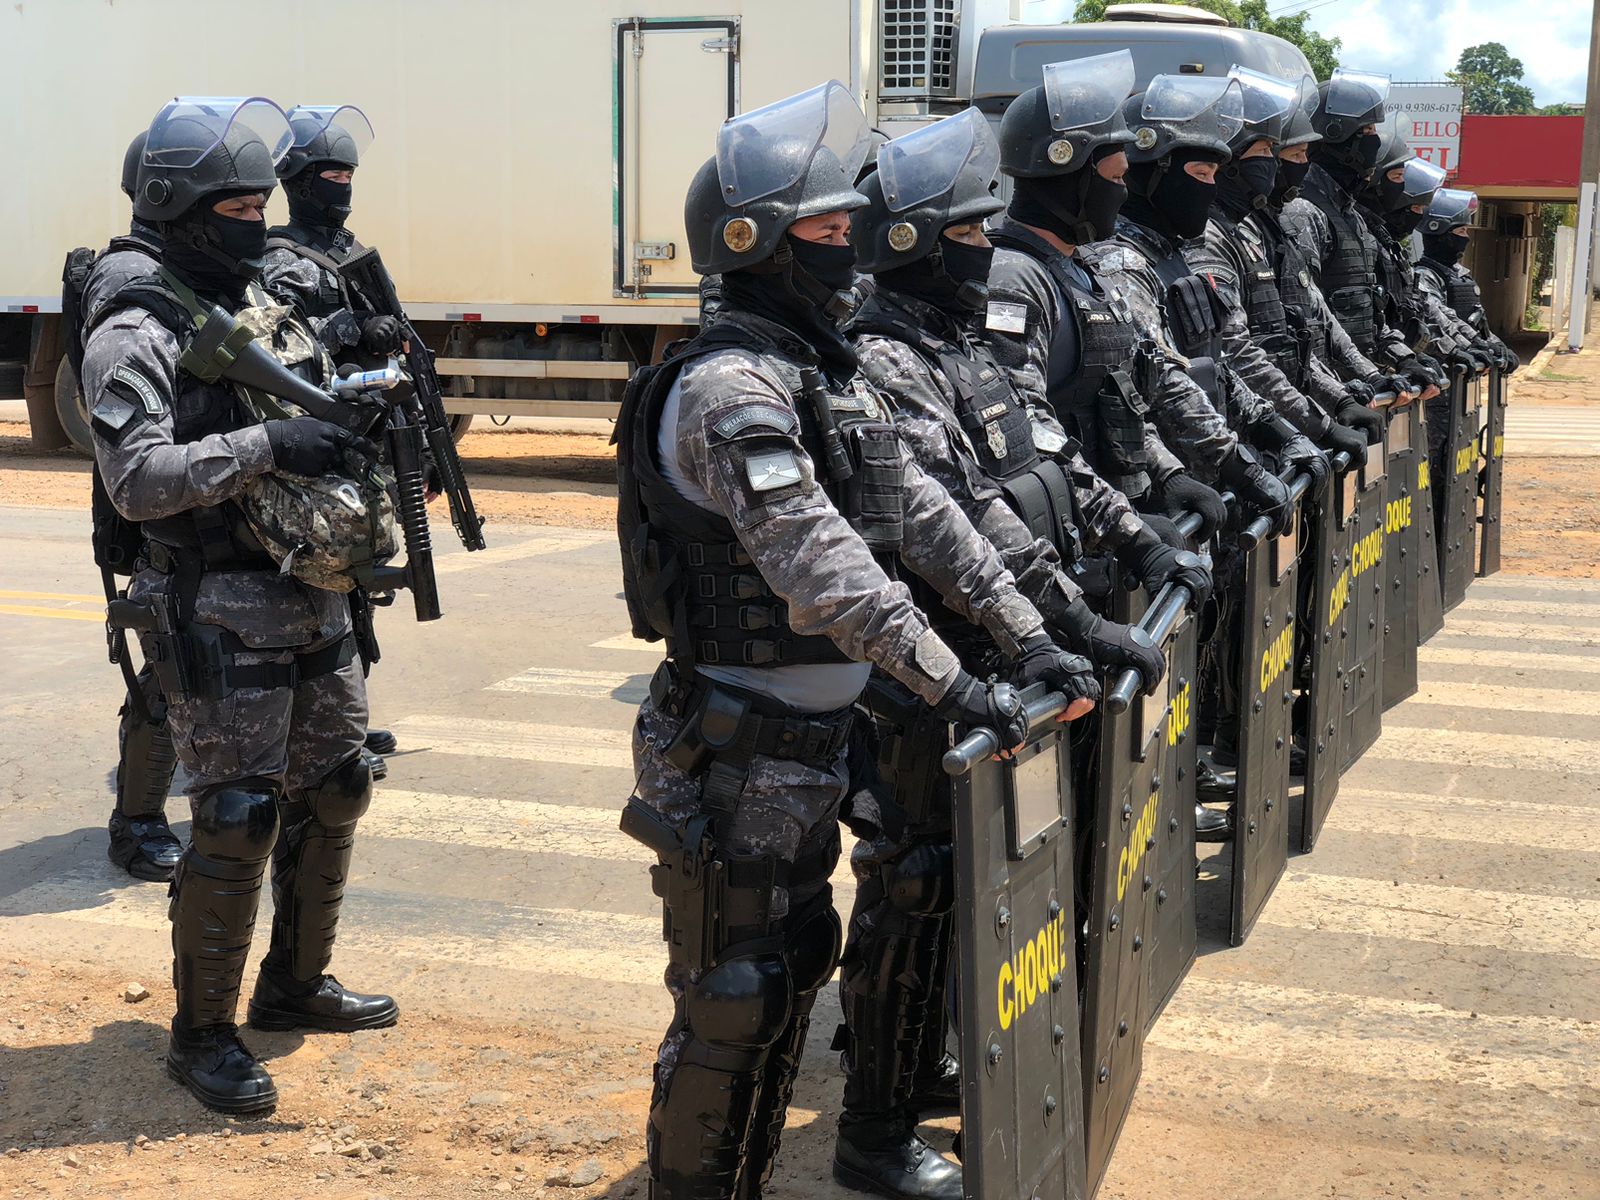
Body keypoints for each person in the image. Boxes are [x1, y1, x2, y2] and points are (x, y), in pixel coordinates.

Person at [615, 82, 1094, 1200]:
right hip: (735, 750)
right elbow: (824, 567)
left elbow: (931, 518)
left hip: (817, 742)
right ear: (756, 245)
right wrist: (951, 685)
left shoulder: (826, 373)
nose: (852, 248)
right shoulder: (728, 388)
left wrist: (1032, 638)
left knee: (796, 968)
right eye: (827, 231)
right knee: (736, 994)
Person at [839, 108, 1206, 1199]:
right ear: (909, 243)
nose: (981, 247)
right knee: (912, 887)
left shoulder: (958, 347)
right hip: (931, 665)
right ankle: (872, 1128)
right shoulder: (885, 361)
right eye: (963, 232)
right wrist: (1042, 630)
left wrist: (1108, 583)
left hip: (1000, 646)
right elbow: (948, 523)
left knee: (963, 889)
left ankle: (926, 1067)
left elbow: (1040, 473)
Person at [83, 97, 398, 1114]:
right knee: (237, 815)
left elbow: (310, 392)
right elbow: (138, 480)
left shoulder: (255, 298)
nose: (257, 223)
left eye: (262, 205)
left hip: (308, 585)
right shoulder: (134, 324)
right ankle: (203, 1035)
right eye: (236, 208)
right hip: (215, 601)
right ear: (174, 208)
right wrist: (267, 446)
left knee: (338, 786)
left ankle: (296, 985)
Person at [1096, 72, 1315, 823]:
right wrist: (1232, 462)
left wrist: (1280, 434)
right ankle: (1163, 796)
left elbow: (1222, 361)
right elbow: (1156, 387)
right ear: (1152, 173)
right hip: (1142, 497)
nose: (1213, 186)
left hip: (1194, 481)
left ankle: (1185, 772)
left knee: (1198, 641)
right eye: (1199, 170)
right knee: (1155, 663)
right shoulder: (1123, 264)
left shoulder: (1175, 255)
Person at [983, 51, 1231, 542]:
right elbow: (1029, 427)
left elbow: (1126, 394)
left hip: (1112, 528)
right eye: (1114, 179)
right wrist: (1128, 531)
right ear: (1069, 177)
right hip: (1070, 539)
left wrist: (1167, 475)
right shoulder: (1013, 280)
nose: (1122, 192)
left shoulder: (1083, 269)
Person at [262, 104, 401, 773]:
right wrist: (344, 332)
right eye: (330, 175)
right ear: (298, 181)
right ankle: (322, 735)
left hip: (365, 436)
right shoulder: (283, 260)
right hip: (314, 441)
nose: (342, 186)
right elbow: (275, 349)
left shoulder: (350, 251)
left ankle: (348, 719)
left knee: (359, 582)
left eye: (349, 174)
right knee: (324, 580)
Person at [74, 132, 182, 881]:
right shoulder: (129, 275)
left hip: (202, 492)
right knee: (170, 672)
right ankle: (137, 820)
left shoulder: (185, 268)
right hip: (153, 507)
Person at [1186, 68, 1369, 470]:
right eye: (1264, 151)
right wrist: (1318, 424)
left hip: (1278, 432)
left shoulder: (1247, 230)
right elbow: (1235, 352)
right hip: (1244, 442)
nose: (1272, 163)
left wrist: (1339, 399)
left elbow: (1293, 334)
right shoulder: (1208, 239)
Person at [1281, 69, 1443, 401]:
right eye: (1367, 130)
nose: (1374, 140)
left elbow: (1371, 312)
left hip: (1359, 390)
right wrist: (1346, 388)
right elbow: (1309, 318)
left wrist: (1405, 359)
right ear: (1336, 134)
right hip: (1325, 395)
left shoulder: (1350, 214)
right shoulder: (1305, 210)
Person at [1416, 188, 1519, 374]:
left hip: (1465, 373)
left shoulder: (1461, 275)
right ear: (1442, 235)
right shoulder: (1425, 276)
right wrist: (1468, 346)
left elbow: (1478, 323)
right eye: (1461, 230)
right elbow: (1439, 320)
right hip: (1441, 370)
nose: (1467, 237)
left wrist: (1496, 345)